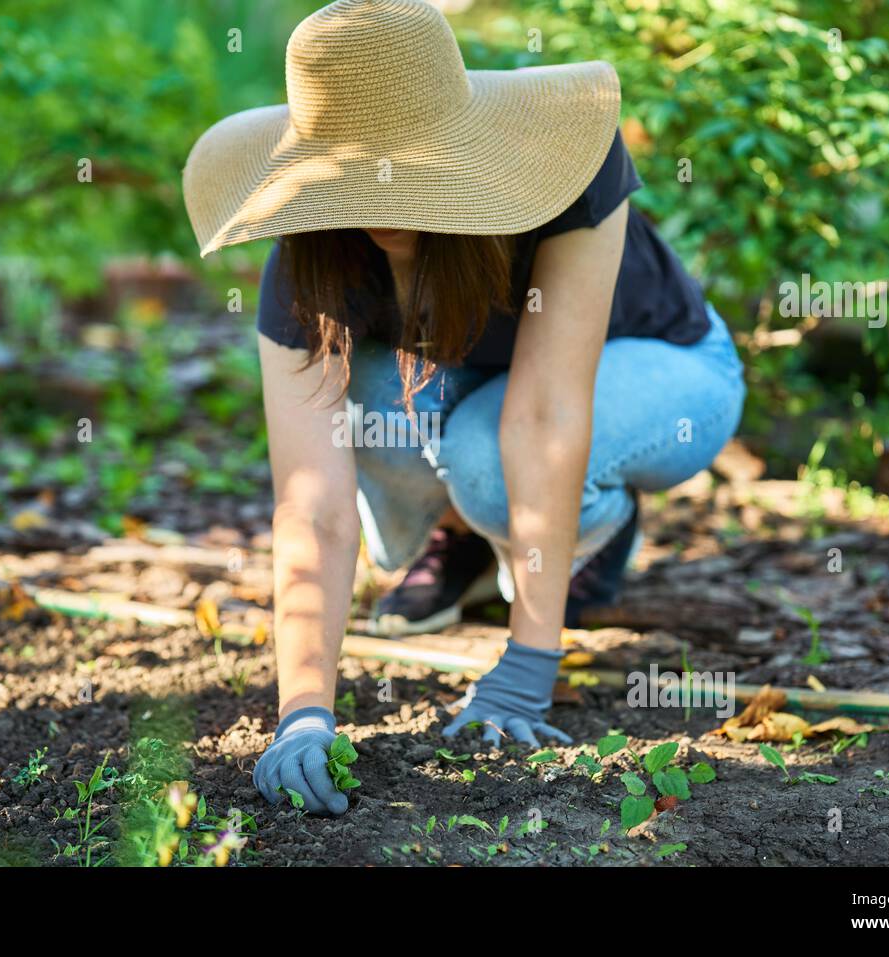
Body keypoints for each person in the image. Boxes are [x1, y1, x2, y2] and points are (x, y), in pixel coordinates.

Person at [182, 0, 745, 816]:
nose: (382, 201)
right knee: (374, 414)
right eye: (350, 174)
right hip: (486, 392)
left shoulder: (564, 170)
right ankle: (480, 540)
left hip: (670, 370)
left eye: (406, 168)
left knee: (487, 457)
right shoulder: (306, 263)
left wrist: (526, 671)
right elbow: (312, 504)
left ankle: (586, 530)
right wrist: (302, 714)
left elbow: (546, 414)